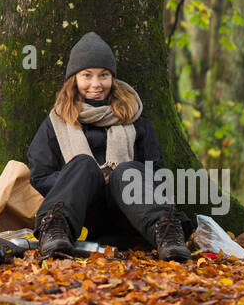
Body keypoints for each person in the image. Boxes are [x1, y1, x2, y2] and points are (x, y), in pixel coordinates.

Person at [28, 32, 191, 262]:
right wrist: (88, 180)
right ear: (74, 78)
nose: (96, 84)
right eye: (87, 75)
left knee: (125, 172)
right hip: (82, 213)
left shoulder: (135, 118)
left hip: (130, 210)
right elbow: (40, 175)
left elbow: (155, 171)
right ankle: (54, 232)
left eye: (103, 75)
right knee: (83, 164)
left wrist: (115, 179)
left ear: (112, 78)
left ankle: (167, 233)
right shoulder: (57, 121)